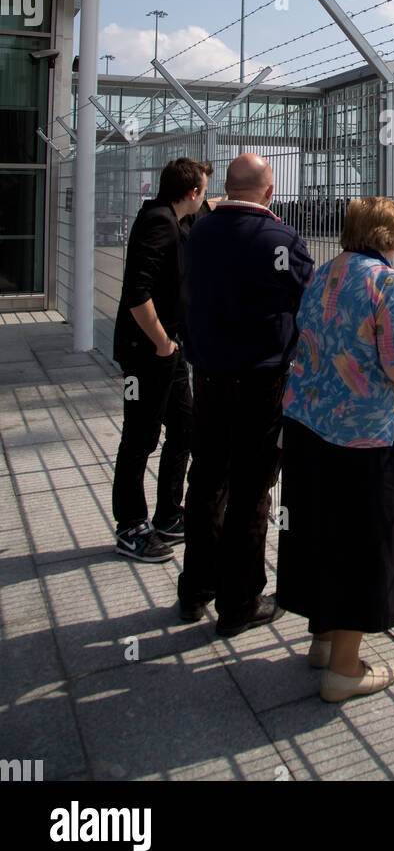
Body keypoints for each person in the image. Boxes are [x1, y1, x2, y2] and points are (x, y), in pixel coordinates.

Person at [276, 195, 394, 703]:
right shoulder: (389, 284)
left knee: (318, 531)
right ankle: (344, 669)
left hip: (307, 426)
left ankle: (323, 640)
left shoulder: (322, 273)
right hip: (365, 437)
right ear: (391, 238)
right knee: (362, 542)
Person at [177, 153, 314, 637]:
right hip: (261, 381)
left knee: (208, 478)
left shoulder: (197, 234)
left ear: (227, 189)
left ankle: (195, 589)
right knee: (253, 488)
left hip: (208, 377)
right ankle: (240, 603)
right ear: (270, 192)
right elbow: (309, 299)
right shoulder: (279, 239)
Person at [112, 157, 210, 562]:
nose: (205, 194)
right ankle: (131, 527)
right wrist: (161, 342)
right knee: (139, 437)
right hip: (149, 351)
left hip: (166, 350)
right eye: (203, 188)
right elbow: (138, 291)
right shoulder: (160, 223)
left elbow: (207, 205)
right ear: (191, 192)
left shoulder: (170, 215)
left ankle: (169, 514)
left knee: (184, 427)